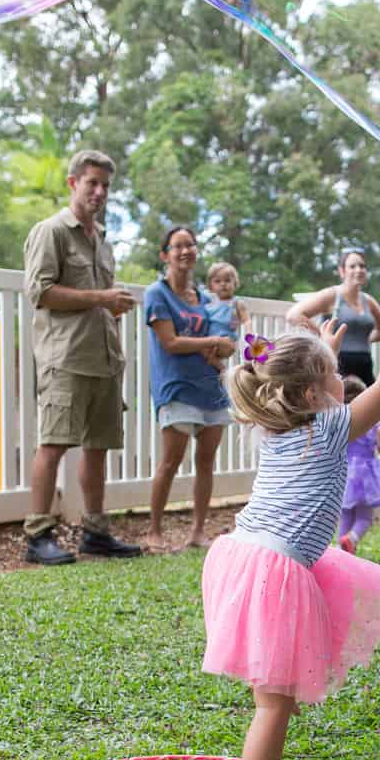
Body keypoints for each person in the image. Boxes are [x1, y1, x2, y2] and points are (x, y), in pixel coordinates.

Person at [201, 275, 380, 760]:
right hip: (275, 568)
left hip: (247, 558)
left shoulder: (277, 421)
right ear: (314, 395)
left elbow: (278, 370)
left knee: (273, 699)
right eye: (335, 376)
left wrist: (320, 359)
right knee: (275, 705)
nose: (342, 382)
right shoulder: (329, 427)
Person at [21, 150, 142, 565]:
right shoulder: (51, 232)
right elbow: (41, 292)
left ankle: (96, 532)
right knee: (52, 445)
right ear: (73, 183)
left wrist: (111, 308)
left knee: (98, 448)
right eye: (92, 182)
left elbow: (101, 301)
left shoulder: (102, 240)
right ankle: (38, 535)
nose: (99, 191)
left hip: (104, 359)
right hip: (66, 358)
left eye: (106, 185)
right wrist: (101, 298)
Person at [143, 227, 238, 550]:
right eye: (178, 246)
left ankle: (198, 531)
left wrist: (226, 347)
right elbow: (170, 342)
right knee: (170, 461)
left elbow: (223, 340)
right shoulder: (157, 294)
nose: (186, 251)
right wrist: (212, 342)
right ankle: (155, 530)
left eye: (191, 245)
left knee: (206, 462)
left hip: (211, 389)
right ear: (165, 254)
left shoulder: (206, 299)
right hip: (177, 387)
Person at [286, 248, 380, 384]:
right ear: (342, 271)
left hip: (365, 365)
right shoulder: (332, 295)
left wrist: (367, 338)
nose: (358, 270)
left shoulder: (368, 300)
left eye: (362, 266)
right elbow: (293, 315)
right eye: (352, 266)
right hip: (337, 363)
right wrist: (322, 337)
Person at [338, 376, 380, 554]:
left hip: (343, 476)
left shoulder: (339, 426)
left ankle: (342, 552)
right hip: (366, 480)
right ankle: (352, 538)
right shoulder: (373, 426)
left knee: (345, 517)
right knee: (364, 517)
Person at [205, 261, 252, 334]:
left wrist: (250, 335)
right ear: (211, 286)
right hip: (209, 340)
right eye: (217, 281)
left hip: (227, 340)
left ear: (235, 283)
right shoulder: (209, 302)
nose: (223, 284)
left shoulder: (237, 303)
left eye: (227, 280)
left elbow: (247, 321)